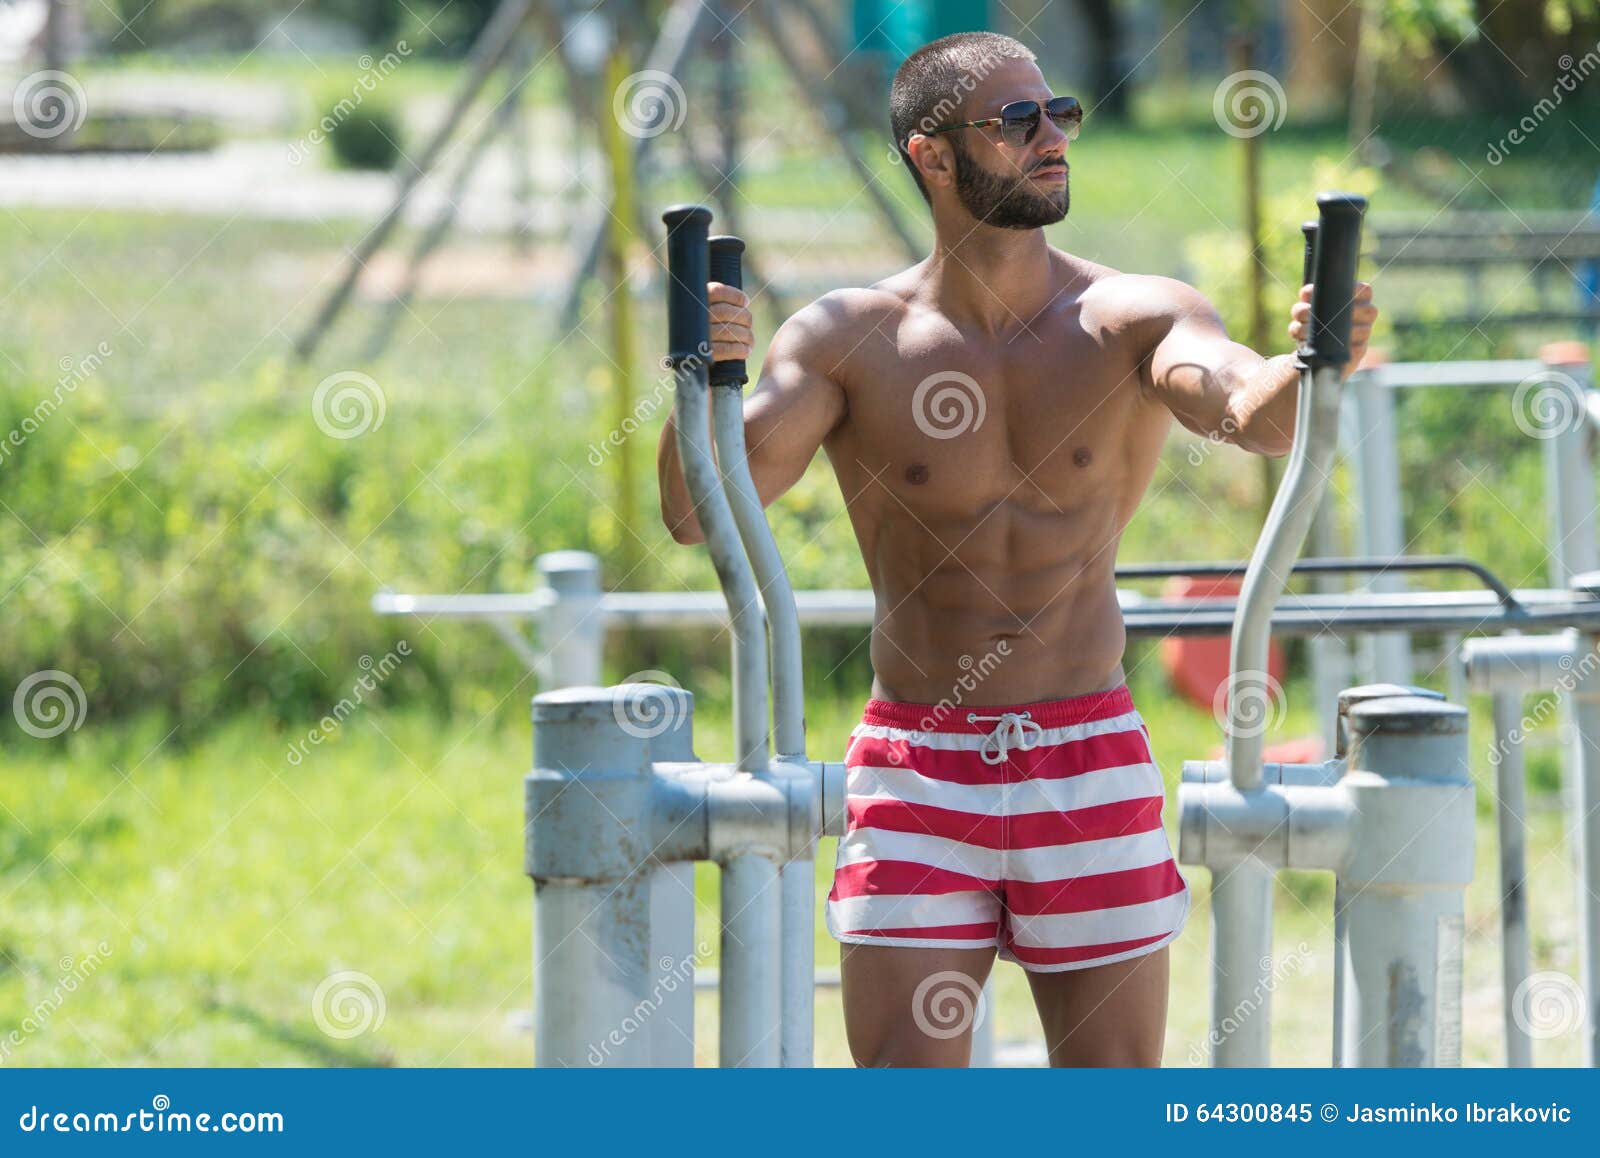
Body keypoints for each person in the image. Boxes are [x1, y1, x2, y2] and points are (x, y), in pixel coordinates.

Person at [656, 30, 1376, 1068]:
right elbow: (699, 512)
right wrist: (693, 371)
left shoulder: (1130, 316)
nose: (1053, 138)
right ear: (931, 156)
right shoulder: (847, 337)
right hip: (916, 766)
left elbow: (1253, 413)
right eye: (1017, 121)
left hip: (1085, 756)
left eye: (1059, 114)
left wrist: (1315, 361)